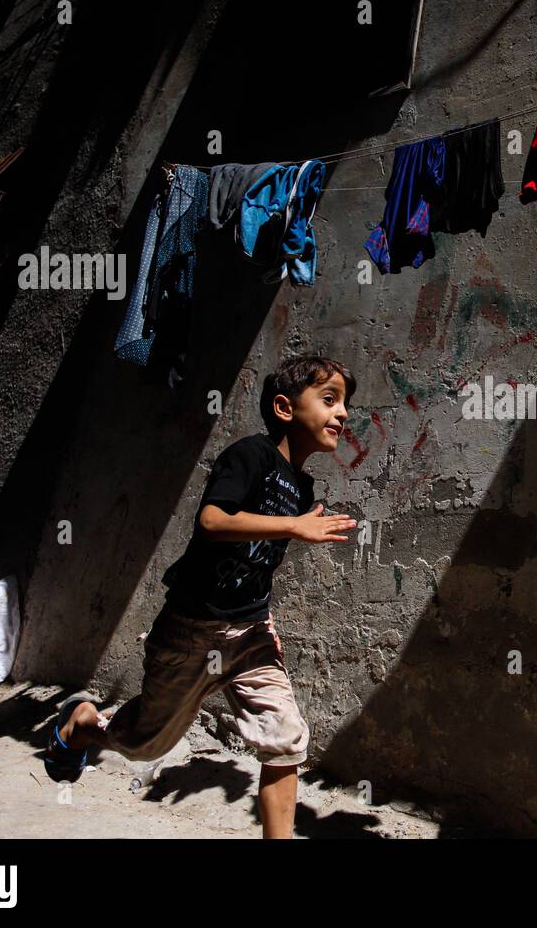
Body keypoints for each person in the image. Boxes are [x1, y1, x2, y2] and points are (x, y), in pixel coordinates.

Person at [46, 355, 359, 838]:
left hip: (251, 633)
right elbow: (213, 522)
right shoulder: (249, 456)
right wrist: (294, 526)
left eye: (345, 404)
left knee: (285, 738)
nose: (343, 414)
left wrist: (288, 542)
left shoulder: (301, 485)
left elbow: (261, 558)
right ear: (283, 407)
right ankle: (85, 725)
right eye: (330, 400)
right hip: (192, 631)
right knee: (145, 744)